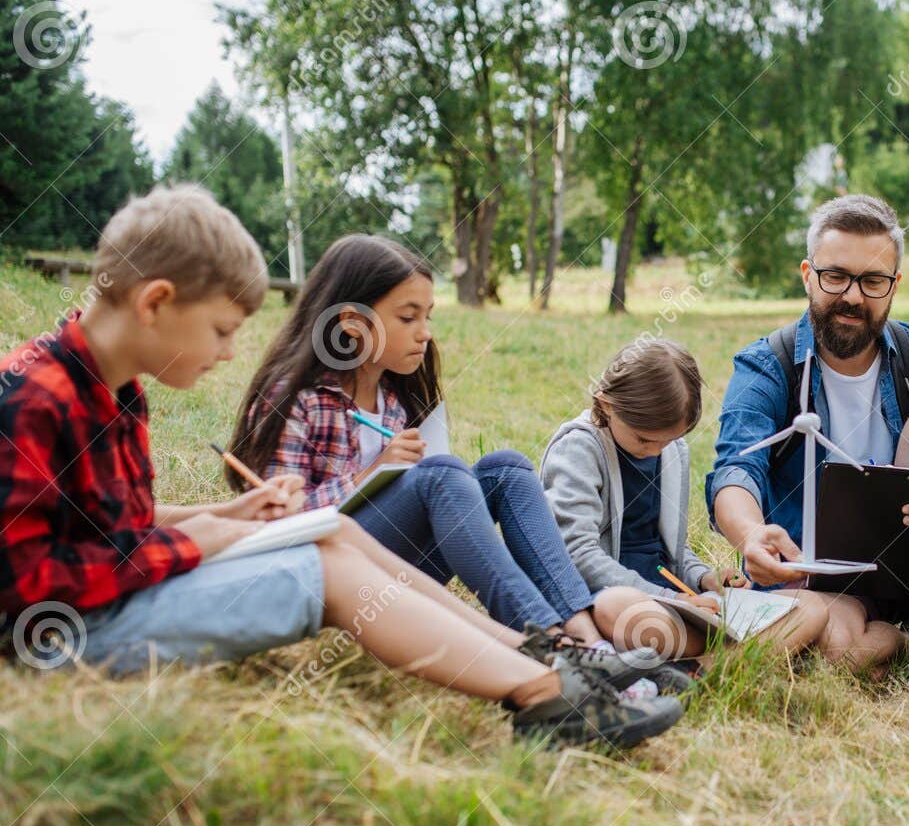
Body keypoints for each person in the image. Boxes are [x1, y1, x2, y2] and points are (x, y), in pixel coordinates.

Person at [0, 186, 679, 748]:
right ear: (155, 303)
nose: (232, 352)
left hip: (120, 600)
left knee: (333, 535)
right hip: (67, 636)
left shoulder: (112, 389)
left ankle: (542, 658)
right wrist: (198, 540)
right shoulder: (35, 399)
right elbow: (31, 587)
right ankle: (545, 697)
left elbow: (113, 523)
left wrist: (222, 515)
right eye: (221, 330)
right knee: (323, 561)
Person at [227, 234, 684, 697]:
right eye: (408, 317)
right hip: (335, 574)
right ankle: (556, 647)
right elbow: (276, 518)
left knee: (506, 468)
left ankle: (588, 641)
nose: (424, 332)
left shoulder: (392, 397)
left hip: (399, 568)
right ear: (352, 324)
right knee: (442, 477)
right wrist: (369, 476)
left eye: (427, 316)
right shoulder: (299, 400)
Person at [706, 194, 909, 672]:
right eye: (835, 276)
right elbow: (736, 469)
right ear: (807, 274)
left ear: (894, 285)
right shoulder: (768, 364)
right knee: (843, 657)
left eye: (873, 281)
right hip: (810, 574)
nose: (853, 297)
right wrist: (752, 534)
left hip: (903, 569)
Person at [541, 339, 828, 659]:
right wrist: (667, 597)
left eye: (671, 440)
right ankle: (726, 657)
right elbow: (577, 554)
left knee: (812, 608)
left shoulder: (670, 451)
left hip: (674, 602)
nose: (656, 450)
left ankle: (705, 663)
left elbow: (671, 549)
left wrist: (704, 578)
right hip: (611, 597)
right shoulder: (580, 448)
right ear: (606, 404)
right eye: (645, 439)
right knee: (619, 609)